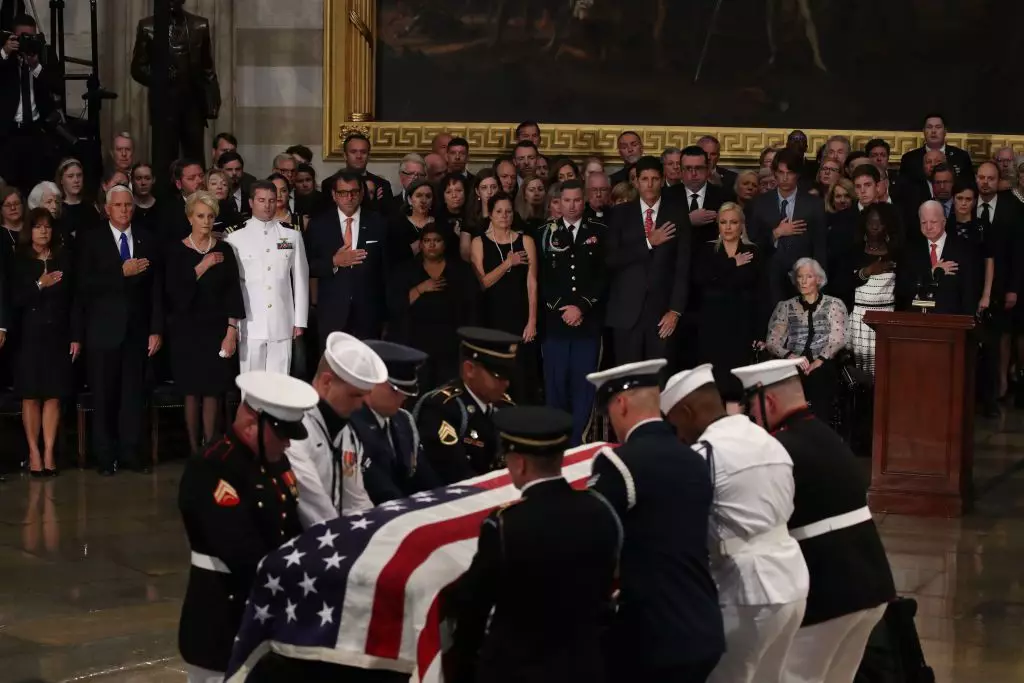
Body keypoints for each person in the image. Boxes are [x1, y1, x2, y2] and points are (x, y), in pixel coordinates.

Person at [731, 358, 895, 683]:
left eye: (753, 408)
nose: (753, 418)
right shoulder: (826, 436)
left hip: (829, 593)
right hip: (872, 585)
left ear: (770, 401)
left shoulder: (777, 450)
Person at [441, 406, 620, 683]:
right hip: (587, 666)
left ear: (520, 463)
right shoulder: (601, 510)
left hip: (518, 671)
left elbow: (475, 604)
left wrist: (462, 664)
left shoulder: (503, 526)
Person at [661, 364, 808, 683]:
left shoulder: (706, 455)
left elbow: (684, 528)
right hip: (793, 581)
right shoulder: (765, 438)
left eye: (676, 426)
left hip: (749, 592)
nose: (680, 436)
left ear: (686, 411)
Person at [586, 359, 725, 681]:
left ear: (620, 405)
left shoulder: (617, 464)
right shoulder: (695, 459)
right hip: (704, 626)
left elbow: (597, 545)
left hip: (653, 635)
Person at [177, 370, 318, 683]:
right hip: (220, 622)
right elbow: (239, 550)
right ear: (253, 423)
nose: (286, 443)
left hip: (266, 616)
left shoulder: (275, 461)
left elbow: (290, 529)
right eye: (281, 434)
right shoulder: (213, 467)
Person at [76, 185, 163, 476]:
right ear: (107, 209)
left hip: (137, 332)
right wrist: (119, 273)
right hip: (103, 331)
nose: (125, 210)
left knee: (132, 395)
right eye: (119, 206)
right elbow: (83, 286)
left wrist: (156, 328)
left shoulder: (147, 238)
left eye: (128, 205)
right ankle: (105, 456)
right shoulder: (91, 240)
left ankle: (130, 452)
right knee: (104, 395)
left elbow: (155, 290)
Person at [165, 191, 245, 456]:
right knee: (191, 391)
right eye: (200, 216)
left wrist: (231, 331)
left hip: (215, 330)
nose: (206, 221)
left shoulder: (224, 250)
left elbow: (233, 293)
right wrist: (203, 265)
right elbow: (174, 293)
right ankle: (192, 450)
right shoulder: (177, 250)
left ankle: (210, 448)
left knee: (212, 390)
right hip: (185, 330)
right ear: (190, 217)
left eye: (211, 216)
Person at [284, 331, 388, 526]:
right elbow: (316, 511)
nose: (359, 406)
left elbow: (356, 500)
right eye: (354, 396)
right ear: (326, 382)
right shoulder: (294, 432)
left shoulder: (346, 432)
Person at [12, 208, 79, 476]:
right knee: (31, 396)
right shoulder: (19, 260)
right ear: (31, 230)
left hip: (57, 335)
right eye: (38, 226)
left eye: (48, 227)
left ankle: (49, 452)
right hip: (28, 336)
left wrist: (76, 335)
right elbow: (15, 299)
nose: (44, 231)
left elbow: (75, 300)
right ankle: (34, 452)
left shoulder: (64, 258)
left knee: (53, 395)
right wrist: (40, 284)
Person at [605, 155, 691, 365]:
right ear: (636, 181)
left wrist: (675, 310)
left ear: (662, 180)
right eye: (645, 179)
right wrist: (648, 242)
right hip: (625, 314)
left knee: (659, 381)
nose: (650, 184)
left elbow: (683, 267)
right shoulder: (619, 214)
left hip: (662, 315)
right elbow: (610, 259)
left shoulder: (677, 215)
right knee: (628, 381)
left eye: (654, 179)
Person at [542, 180, 606, 446]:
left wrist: (581, 306)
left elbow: (603, 275)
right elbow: (540, 277)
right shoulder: (545, 233)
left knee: (584, 389)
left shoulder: (599, 231)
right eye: (566, 200)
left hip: (587, 324)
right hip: (555, 325)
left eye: (577, 200)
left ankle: (577, 447)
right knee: (556, 387)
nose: (572, 205)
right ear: (558, 202)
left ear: (585, 200)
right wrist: (562, 307)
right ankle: (555, 445)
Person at [344, 340, 441, 511]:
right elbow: (380, 489)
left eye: (407, 391)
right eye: (395, 390)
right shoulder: (351, 425)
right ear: (370, 383)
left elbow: (424, 477)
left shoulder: (404, 421)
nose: (403, 398)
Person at [414, 327, 517, 484]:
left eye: (508, 375)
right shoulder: (442, 408)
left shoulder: (505, 406)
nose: (506, 383)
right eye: (497, 375)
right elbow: (454, 473)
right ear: (469, 370)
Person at [226, 180, 309, 374]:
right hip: (249, 321)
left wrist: (300, 321)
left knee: (279, 387)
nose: (267, 205)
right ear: (251, 202)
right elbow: (231, 284)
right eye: (262, 200)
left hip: (282, 320)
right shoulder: (235, 237)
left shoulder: (291, 235)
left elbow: (300, 280)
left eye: (272, 200)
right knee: (251, 385)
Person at [305, 170, 389, 345]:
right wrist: (334, 262)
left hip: (369, 313)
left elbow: (387, 269)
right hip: (332, 312)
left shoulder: (378, 223)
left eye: (354, 192)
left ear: (361, 194)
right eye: (343, 193)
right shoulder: (319, 224)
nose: (349, 197)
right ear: (334, 195)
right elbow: (307, 265)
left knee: (365, 367)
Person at [389, 223, 477, 386]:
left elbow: (472, 307)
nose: (431, 245)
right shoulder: (405, 270)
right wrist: (420, 288)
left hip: (451, 345)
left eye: (437, 240)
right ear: (420, 244)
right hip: (415, 344)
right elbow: (395, 305)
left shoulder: (461, 271)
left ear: (445, 244)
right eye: (427, 240)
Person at [471, 191, 538, 400]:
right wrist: (508, 263)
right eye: (499, 211)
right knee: (494, 375)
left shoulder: (525, 240)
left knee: (522, 377)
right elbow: (482, 283)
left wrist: (532, 320)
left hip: (520, 318)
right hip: (491, 317)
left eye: (508, 211)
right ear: (490, 214)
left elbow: (532, 282)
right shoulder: (479, 242)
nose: (504, 215)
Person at [765, 257, 848, 420]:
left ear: (818, 279)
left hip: (823, 361)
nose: (803, 281)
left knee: (819, 380)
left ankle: (818, 435)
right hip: (792, 361)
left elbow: (839, 338)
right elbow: (773, 341)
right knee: (783, 381)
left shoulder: (834, 304)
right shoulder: (786, 306)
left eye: (808, 277)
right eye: (800, 277)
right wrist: (790, 356)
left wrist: (819, 360)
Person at [748, 148, 828, 306]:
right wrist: (776, 233)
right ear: (774, 173)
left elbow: (820, 245)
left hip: (803, 278)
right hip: (768, 279)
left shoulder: (813, 204)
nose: (784, 178)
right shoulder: (759, 203)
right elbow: (752, 243)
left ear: (797, 174)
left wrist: (820, 280)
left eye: (789, 173)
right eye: (780, 172)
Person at [694, 202, 767, 374]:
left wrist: (760, 331)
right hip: (712, 324)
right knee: (713, 380)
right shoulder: (707, 250)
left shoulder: (753, 252)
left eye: (733, 222)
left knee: (737, 382)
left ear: (741, 225)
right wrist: (732, 262)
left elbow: (762, 293)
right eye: (723, 222)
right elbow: (701, 278)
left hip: (742, 324)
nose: (727, 227)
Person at [0, 14, 60, 195]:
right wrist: (4, 53)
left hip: (36, 132)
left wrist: (36, 67)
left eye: (31, 37)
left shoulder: (45, 53)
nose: (28, 42)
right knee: (9, 189)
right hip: (8, 134)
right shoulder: (5, 55)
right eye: (23, 37)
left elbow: (58, 85)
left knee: (36, 186)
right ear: (13, 36)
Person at [843, 205, 901, 377]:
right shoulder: (853, 253)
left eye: (881, 223)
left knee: (885, 369)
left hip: (888, 317)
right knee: (861, 370)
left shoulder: (897, 254)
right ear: (864, 225)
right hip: (859, 318)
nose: (875, 227)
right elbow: (842, 285)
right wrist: (867, 272)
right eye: (871, 223)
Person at [896, 200, 980, 315]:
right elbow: (903, 287)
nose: (928, 227)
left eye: (933, 222)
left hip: (952, 320)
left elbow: (970, 290)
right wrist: (932, 272)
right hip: (919, 319)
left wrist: (967, 322)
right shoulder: (911, 250)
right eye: (924, 222)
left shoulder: (963, 248)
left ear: (944, 221)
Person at [665, 145, 726, 247]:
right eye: (688, 168)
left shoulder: (724, 196)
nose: (693, 173)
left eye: (699, 168)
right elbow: (660, 230)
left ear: (707, 169)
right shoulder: (666, 196)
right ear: (681, 170)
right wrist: (687, 221)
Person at [321, 133, 394, 213]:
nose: (359, 156)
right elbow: (328, 216)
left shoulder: (382, 184)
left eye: (363, 152)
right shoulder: (329, 183)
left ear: (368, 156)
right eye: (353, 152)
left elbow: (388, 218)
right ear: (345, 155)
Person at [899, 113, 974, 182]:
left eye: (938, 127)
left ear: (945, 131)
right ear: (924, 131)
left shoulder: (961, 157)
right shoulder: (909, 159)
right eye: (929, 127)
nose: (933, 131)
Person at [388, 177, 437, 266]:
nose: (423, 200)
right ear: (410, 200)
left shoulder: (440, 223)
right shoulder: (397, 225)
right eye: (419, 195)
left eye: (428, 196)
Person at [161, 159, 206, 243]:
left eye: (201, 176)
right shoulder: (169, 213)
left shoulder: (219, 205)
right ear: (178, 184)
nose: (199, 181)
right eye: (191, 178)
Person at [436, 173, 470, 261]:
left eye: (459, 190)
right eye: (448, 192)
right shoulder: (436, 217)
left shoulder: (472, 215)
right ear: (443, 196)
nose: (454, 195)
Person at [55, 158, 90, 238]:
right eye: (70, 176)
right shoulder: (57, 209)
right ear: (61, 180)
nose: (76, 180)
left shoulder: (90, 209)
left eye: (79, 175)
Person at [205, 168, 241, 236]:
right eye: (214, 183)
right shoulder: (198, 211)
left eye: (224, 184)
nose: (219, 187)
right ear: (205, 188)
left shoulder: (235, 214)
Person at [513, 173, 547, 238]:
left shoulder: (548, 219)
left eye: (540, 189)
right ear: (524, 194)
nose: (536, 193)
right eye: (531, 190)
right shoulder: (517, 220)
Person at [216, 151, 249, 217]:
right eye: (229, 169)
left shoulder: (250, 197)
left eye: (238, 169)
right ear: (220, 171)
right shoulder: (214, 197)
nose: (234, 173)